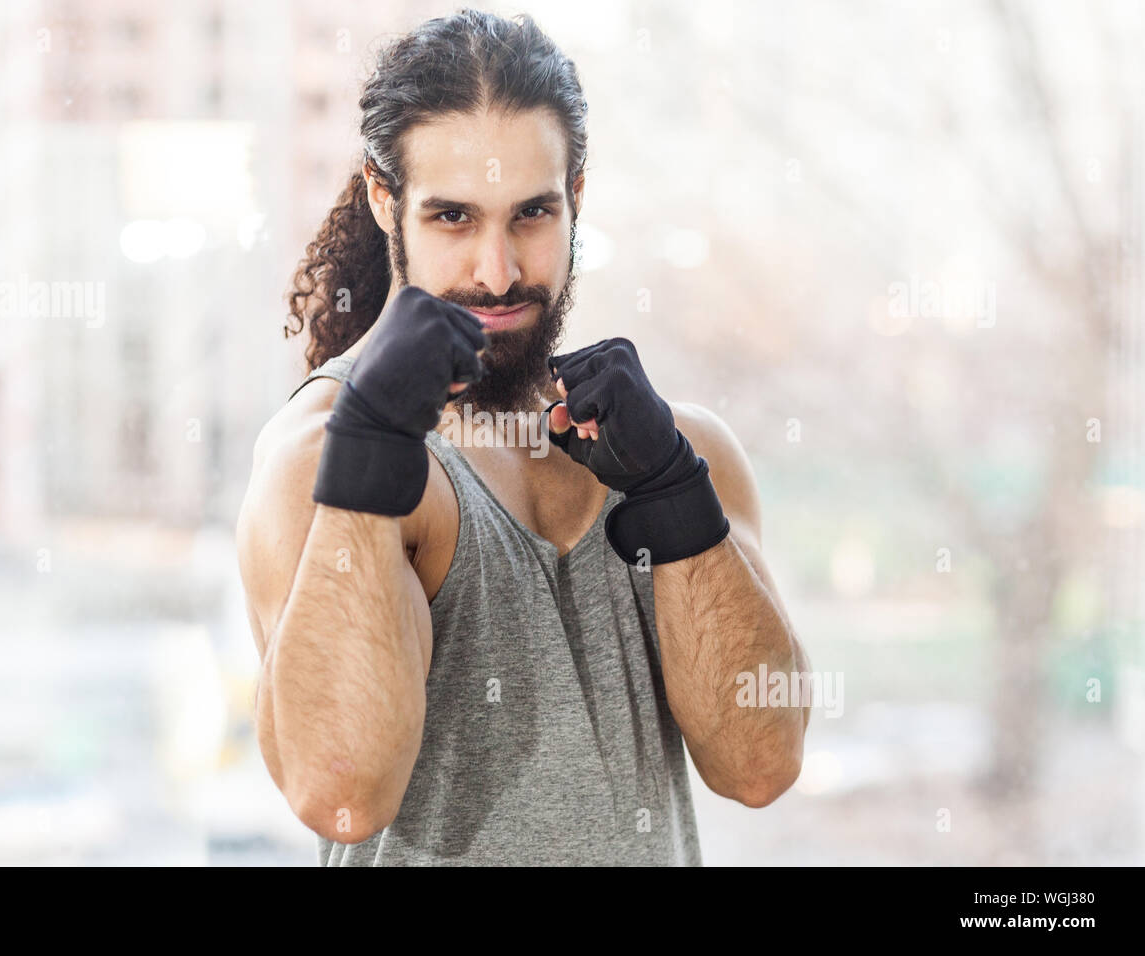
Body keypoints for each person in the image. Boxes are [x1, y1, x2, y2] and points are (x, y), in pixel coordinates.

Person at [236, 9, 811, 866]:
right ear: (384, 198)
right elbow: (342, 794)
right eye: (454, 219)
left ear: (576, 194)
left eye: (532, 215)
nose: (499, 272)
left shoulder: (677, 451)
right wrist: (366, 460)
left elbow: (762, 766)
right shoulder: (316, 461)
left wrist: (676, 497)